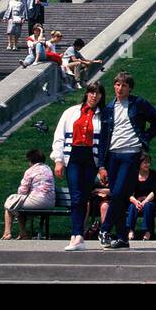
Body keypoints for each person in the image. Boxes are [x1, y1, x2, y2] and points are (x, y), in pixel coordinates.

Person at [100, 72, 156, 249]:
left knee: (120, 192)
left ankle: (104, 228)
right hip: (113, 155)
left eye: (124, 86)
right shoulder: (109, 107)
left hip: (131, 153)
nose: (120, 88)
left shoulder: (138, 103)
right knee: (117, 196)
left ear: (130, 88)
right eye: (117, 85)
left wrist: (144, 138)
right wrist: (101, 165)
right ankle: (122, 238)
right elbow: (103, 138)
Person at [51, 81, 111, 252]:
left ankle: (79, 236)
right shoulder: (71, 112)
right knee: (76, 196)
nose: (94, 96)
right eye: (92, 92)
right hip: (74, 157)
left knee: (83, 197)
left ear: (101, 96)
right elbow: (59, 136)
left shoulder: (104, 116)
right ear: (86, 93)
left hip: (90, 159)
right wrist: (58, 160)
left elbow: (104, 144)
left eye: (98, 93)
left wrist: (102, 166)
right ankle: (76, 234)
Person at [2, 148, 57, 239]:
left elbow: (22, 191)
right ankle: (23, 233)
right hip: (50, 203)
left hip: (37, 201)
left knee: (10, 202)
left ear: (31, 161)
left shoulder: (30, 171)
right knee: (17, 204)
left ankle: (7, 232)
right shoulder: (48, 169)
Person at [124, 154, 156, 240]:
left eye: (148, 162)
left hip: (152, 202)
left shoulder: (155, 175)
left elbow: (155, 192)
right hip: (137, 202)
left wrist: (145, 202)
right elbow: (129, 192)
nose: (147, 164)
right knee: (132, 206)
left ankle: (147, 231)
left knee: (148, 205)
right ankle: (130, 230)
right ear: (139, 164)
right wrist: (136, 202)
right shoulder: (133, 175)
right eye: (145, 163)